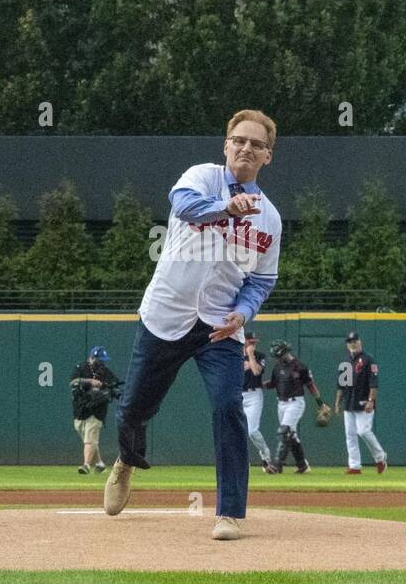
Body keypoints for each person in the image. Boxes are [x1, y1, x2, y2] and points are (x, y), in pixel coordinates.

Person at [105, 109, 282, 541]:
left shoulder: (269, 219)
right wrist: (226, 205)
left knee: (228, 407)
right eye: (238, 139)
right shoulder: (202, 177)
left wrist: (243, 313)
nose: (246, 147)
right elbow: (183, 206)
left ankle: (229, 512)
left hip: (219, 327)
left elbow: (262, 279)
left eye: (256, 144)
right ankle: (126, 462)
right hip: (166, 314)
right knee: (134, 408)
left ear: (267, 156)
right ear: (226, 145)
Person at [264, 340, 325, 475]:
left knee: (284, 431)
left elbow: (310, 385)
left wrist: (320, 403)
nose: (278, 358)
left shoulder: (300, 366)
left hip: (295, 402)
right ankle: (302, 465)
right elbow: (273, 383)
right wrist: (259, 384)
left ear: (286, 352)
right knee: (291, 436)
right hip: (281, 403)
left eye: (279, 355)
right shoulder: (277, 366)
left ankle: (277, 465)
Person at [334, 332, 387, 475]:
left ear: (360, 342)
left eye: (354, 341)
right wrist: (338, 402)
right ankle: (354, 466)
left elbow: (374, 383)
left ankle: (380, 457)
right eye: (350, 341)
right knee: (350, 435)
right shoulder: (345, 361)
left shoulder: (369, 359)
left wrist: (371, 400)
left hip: (364, 402)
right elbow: (342, 384)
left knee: (363, 431)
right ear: (347, 344)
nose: (352, 344)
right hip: (349, 402)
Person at [70, 346, 119, 474]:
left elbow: (114, 385)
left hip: (97, 410)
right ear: (92, 358)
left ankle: (86, 465)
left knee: (90, 438)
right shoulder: (81, 368)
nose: (102, 362)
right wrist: (90, 381)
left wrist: (108, 389)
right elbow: (73, 382)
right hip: (80, 409)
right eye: (100, 360)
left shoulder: (105, 372)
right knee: (87, 438)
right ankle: (99, 463)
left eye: (103, 360)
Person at [241, 332, 278, 474]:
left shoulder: (260, 356)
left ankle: (266, 457)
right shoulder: (235, 355)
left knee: (252, 431)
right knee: (236, 432)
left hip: (254, 395)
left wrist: (250, 356)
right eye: (250, 342)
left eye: (254, 342)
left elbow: (256, 372)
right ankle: (240, 463)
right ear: (244, 341)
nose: (253, 344)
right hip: (238, 394)